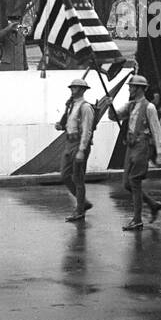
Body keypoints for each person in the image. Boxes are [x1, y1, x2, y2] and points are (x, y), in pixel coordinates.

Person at [106, 74, 161, 231]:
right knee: (127, 183)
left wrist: (159, 153)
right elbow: (114, 116)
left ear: (139, 88)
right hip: (130, 146)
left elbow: (157, 131)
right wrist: (109, 106)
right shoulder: (130, 105)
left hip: (142, 146)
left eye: (131, 87)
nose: (129, 89)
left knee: (135, 182)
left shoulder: (150, 107)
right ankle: (152, 205)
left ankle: (137, 219)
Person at [56, 78, 96, 222]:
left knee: (78, 179)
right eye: (72, 88)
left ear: (82, 90)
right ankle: (83, 202)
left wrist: (81, 150)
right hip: (69, 142)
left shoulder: (85, 107)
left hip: (79, 144)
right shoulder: (71, 106)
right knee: (65, 175)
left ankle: (79, 210)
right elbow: (69, 123)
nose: (73, 90)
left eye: (76, 88)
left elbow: (87, 130)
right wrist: (61, 126)